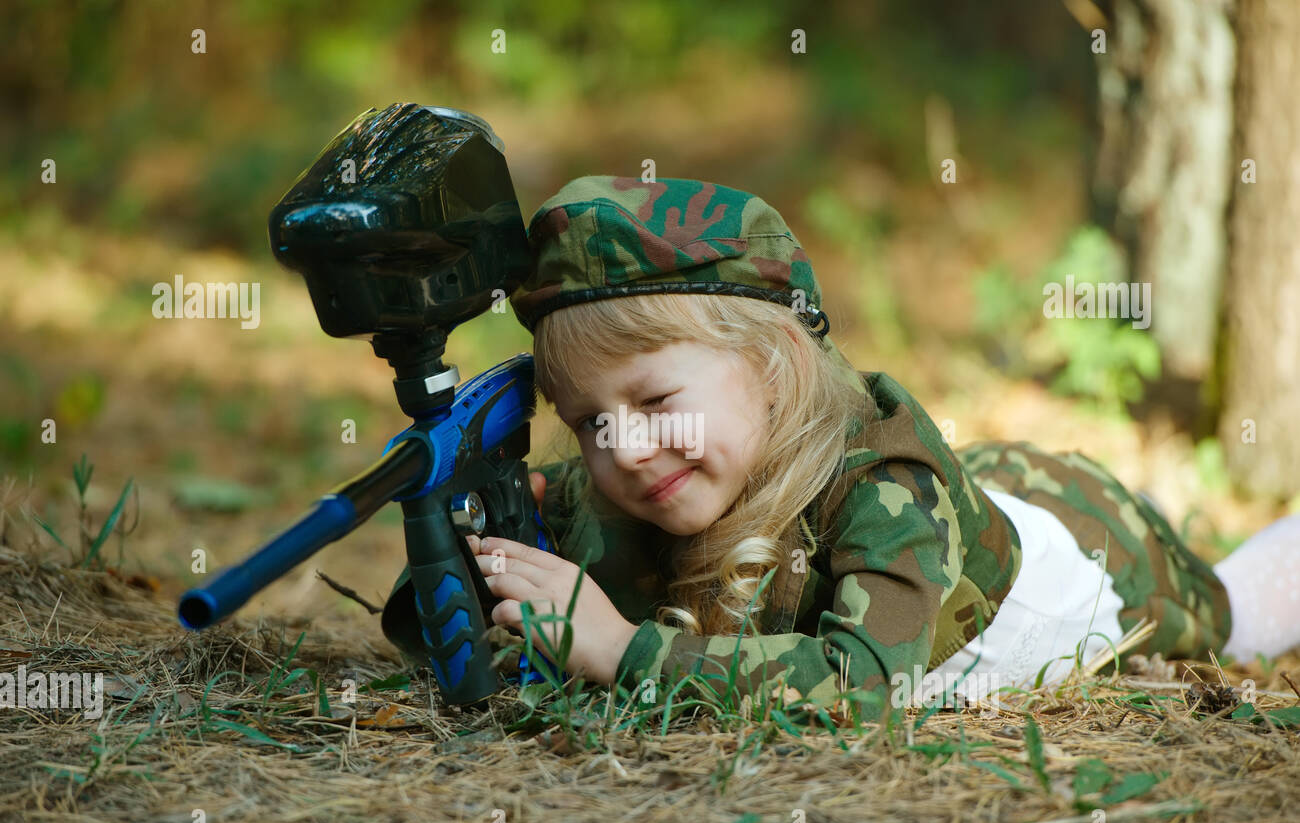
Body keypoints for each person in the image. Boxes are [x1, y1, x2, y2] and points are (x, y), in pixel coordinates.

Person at [386, 175, 1300, 719]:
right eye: (589, 421)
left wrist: (626, 650)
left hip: (1085, 555)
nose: (624, 446)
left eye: (656, 399)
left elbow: (861, 684)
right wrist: (472, 558)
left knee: (1239, 614)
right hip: (953, 516)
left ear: (777, 367)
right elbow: (545, 521)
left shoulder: (883, 482)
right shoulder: (655, 467)